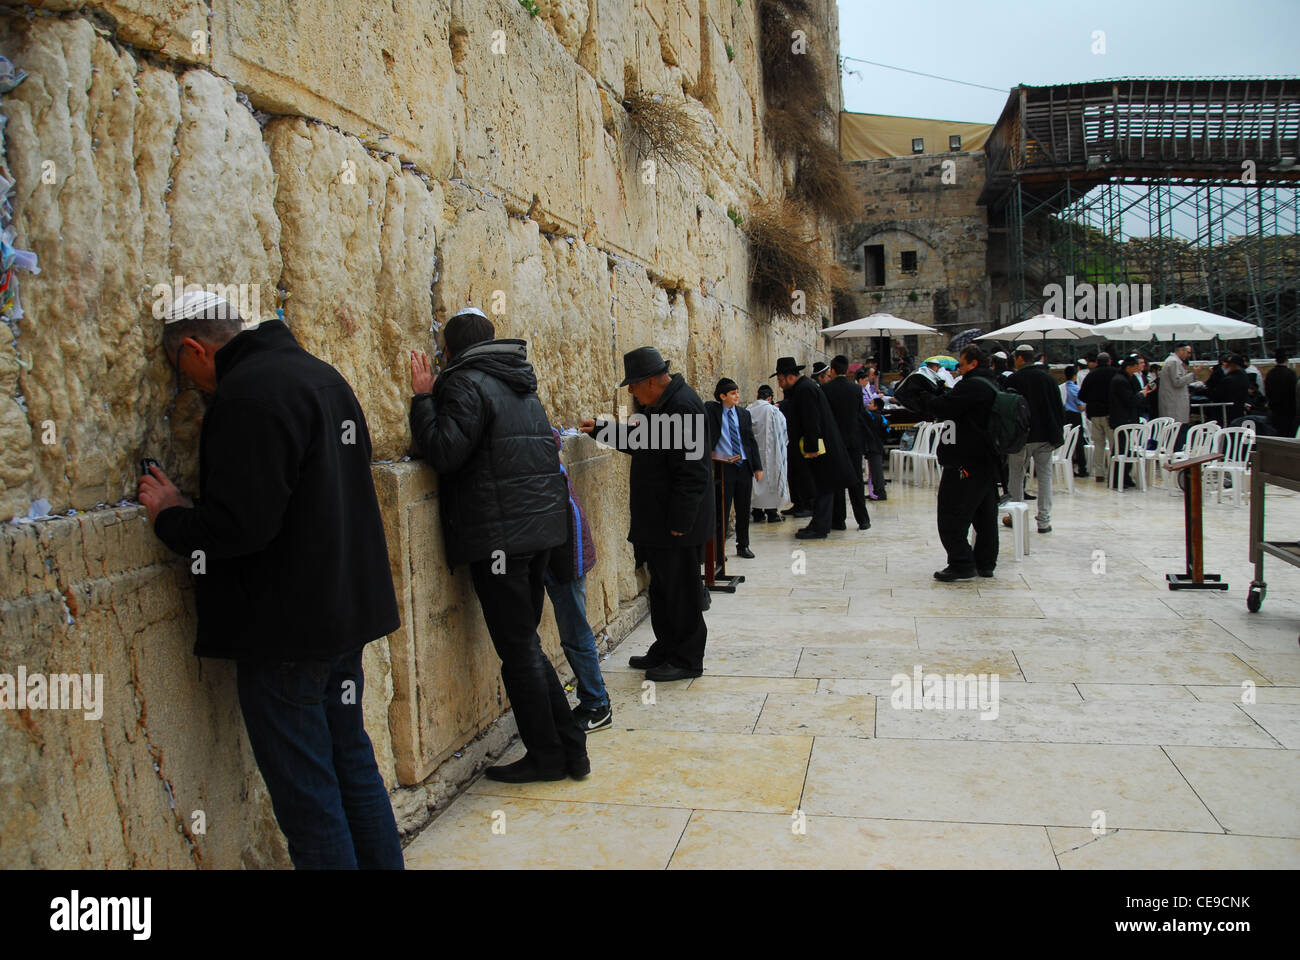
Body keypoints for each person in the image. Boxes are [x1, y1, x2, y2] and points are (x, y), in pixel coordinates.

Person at [138, 291, 403, 869]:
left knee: (310, 801)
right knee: (352, 763)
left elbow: (240, 527)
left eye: (181, 371)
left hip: (287, 632)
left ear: (193, 348)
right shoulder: (319, 375)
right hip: (341, 616)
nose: (187, 385)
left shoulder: (247, 396)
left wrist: (171, 517)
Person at [409, 308, 585, 784]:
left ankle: (549, 756)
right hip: (538, 533)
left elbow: (445, 451)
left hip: (501, 540)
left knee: (519, 650)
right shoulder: (520, 381)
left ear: (449, 350)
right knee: (526, 643)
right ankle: (571, 748)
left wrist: (423, 400)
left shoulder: (463, 382)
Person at [580, 347, 713, 682]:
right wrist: (599, 429)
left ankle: (687, 659)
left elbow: (693, 471)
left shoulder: (684, 407)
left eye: (633, 384)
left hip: (676, 525)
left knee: (681, 592)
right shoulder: (661, 406)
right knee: (663, 589)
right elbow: (640, 440)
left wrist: (681, 523)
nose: (629, 391)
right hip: (659, 522)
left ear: (652, 381)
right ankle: (667, 647)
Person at [893, 344, 1001, 582]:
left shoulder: (972, 386)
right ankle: (985, 563)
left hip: (965, 461)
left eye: (961, 364)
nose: (957, 370)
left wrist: (923, 396)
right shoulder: (992, 384)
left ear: (973, 364)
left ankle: (962, 563)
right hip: (988, 461)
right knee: (985, 516)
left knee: (951, 514)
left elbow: (944, 407)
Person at [544, 428, 612, 734]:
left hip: (565, 551)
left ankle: (597, 704)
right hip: (558, 547)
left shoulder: (538, 448)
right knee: (573, 628)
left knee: (574, 630)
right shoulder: (539, 441)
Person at [774, 356, 856, 540]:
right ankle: (825, 523)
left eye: (780, 380)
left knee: (823, 486)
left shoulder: (804, 390)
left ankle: (819, 527)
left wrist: (811, 448)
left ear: (789, 377)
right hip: (822, 446)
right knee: (825, 485)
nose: (780, 385)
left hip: (819, 448)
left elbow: (811, 421)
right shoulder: (804, 388)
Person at [1003, 344, 1064, 533]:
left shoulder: (1013, 379)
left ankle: (1016, 517)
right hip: (1045, 436)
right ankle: (1044, 521)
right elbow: (1058, 408)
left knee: (1016, 475)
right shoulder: (1048, 379)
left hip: (1021, 438)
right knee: (1045, 477)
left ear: (1020, 358)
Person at [706, 378, 763, 559]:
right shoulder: (713, 411)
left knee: (744, 507)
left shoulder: (743, 414)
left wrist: (757, 467)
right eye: (732, 393)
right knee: (722, 508)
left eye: (737, 392)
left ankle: (743, 545)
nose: (737, 396)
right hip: (725, 466)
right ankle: (719, 548)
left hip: (743, 465)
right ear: (722, 396)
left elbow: (751, 441)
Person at [821, 355, 873, 531]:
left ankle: (839, 520)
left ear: (833, 370)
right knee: (856, 480)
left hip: (834, 442)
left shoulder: (825, 389)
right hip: (853, 440)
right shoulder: (856, 389)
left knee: (837, 480)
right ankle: (863, 519)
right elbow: (860, 415)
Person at [1077, 351, 1121, 483]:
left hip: (1094, 414)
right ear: (1109, 361)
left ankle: (1099, 473)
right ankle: (1114, 472)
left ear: (1097, 362)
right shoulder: (1115, 373)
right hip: (1110, 414)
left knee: (1098, 445)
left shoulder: (1091, 375)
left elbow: (1082, 396)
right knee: (1113, 444)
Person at [748, 384, 789, 523]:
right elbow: (784, 434)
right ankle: (772, 513)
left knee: (756, 483)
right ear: (770, 398)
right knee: (771, 481)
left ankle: (757, 512)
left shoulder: (748, 409)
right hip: (772, 455)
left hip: (753, 455)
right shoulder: (773, 411)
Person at [1107, 353, 1149, 488]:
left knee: (1127, 450)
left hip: (1128, 420)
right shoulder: (1120, 380)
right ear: (1130, 367)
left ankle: (1125, 477)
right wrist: (1142, 394)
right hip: (1122, 420)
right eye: (1137, 365)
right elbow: (1129, 400)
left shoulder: (1128, 379)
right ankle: (1118, 479)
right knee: (1121, 450)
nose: (1139, 367)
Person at [1158, 343, 1196, 446]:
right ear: (1180, 351)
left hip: (1174, 402)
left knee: (1176, 431)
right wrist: (1193, 374)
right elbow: (1177, 382)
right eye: (1187, 352)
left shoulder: (1173, 361)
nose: (1188, 355)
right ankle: (1176, 454)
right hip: (1174, 403)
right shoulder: (1174, 362)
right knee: (1177, 433)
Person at [1061, 364, 1087, 477]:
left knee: (1067, 441)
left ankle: (1068, 467)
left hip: (1065, 416)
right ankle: (1082, 468)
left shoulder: (1061, 388)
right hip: (1076, 416)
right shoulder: (1077, 389)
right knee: (1078, 442)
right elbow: (1081, 407)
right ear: (1075, 376)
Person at [1209, 354, 1250, 423]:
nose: (1225, 367)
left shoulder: (1229, 379)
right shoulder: (1243, 376)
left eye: (1228, 365)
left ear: (1233, 365)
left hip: (1227, 411)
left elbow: (1217, 395)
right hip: (1239, 409)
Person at [1265, 352, 1297, 436]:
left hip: (1275, 409)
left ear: (1276, 361)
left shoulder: (1270, 374)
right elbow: (1294, 392)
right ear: (1286, 361)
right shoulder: (1291, 373)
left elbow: (1267, 391)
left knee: (1276, 432)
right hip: (1289, 409)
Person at [864, 397, 890, 500]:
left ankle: (880, 493)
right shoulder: (880, 417)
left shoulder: (874, 416)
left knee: (877, 471)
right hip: (876, 446)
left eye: (870, 403)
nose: (868, 405)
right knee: (874, 471)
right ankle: (876, 491)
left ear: (875, 406)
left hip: (874, 446)